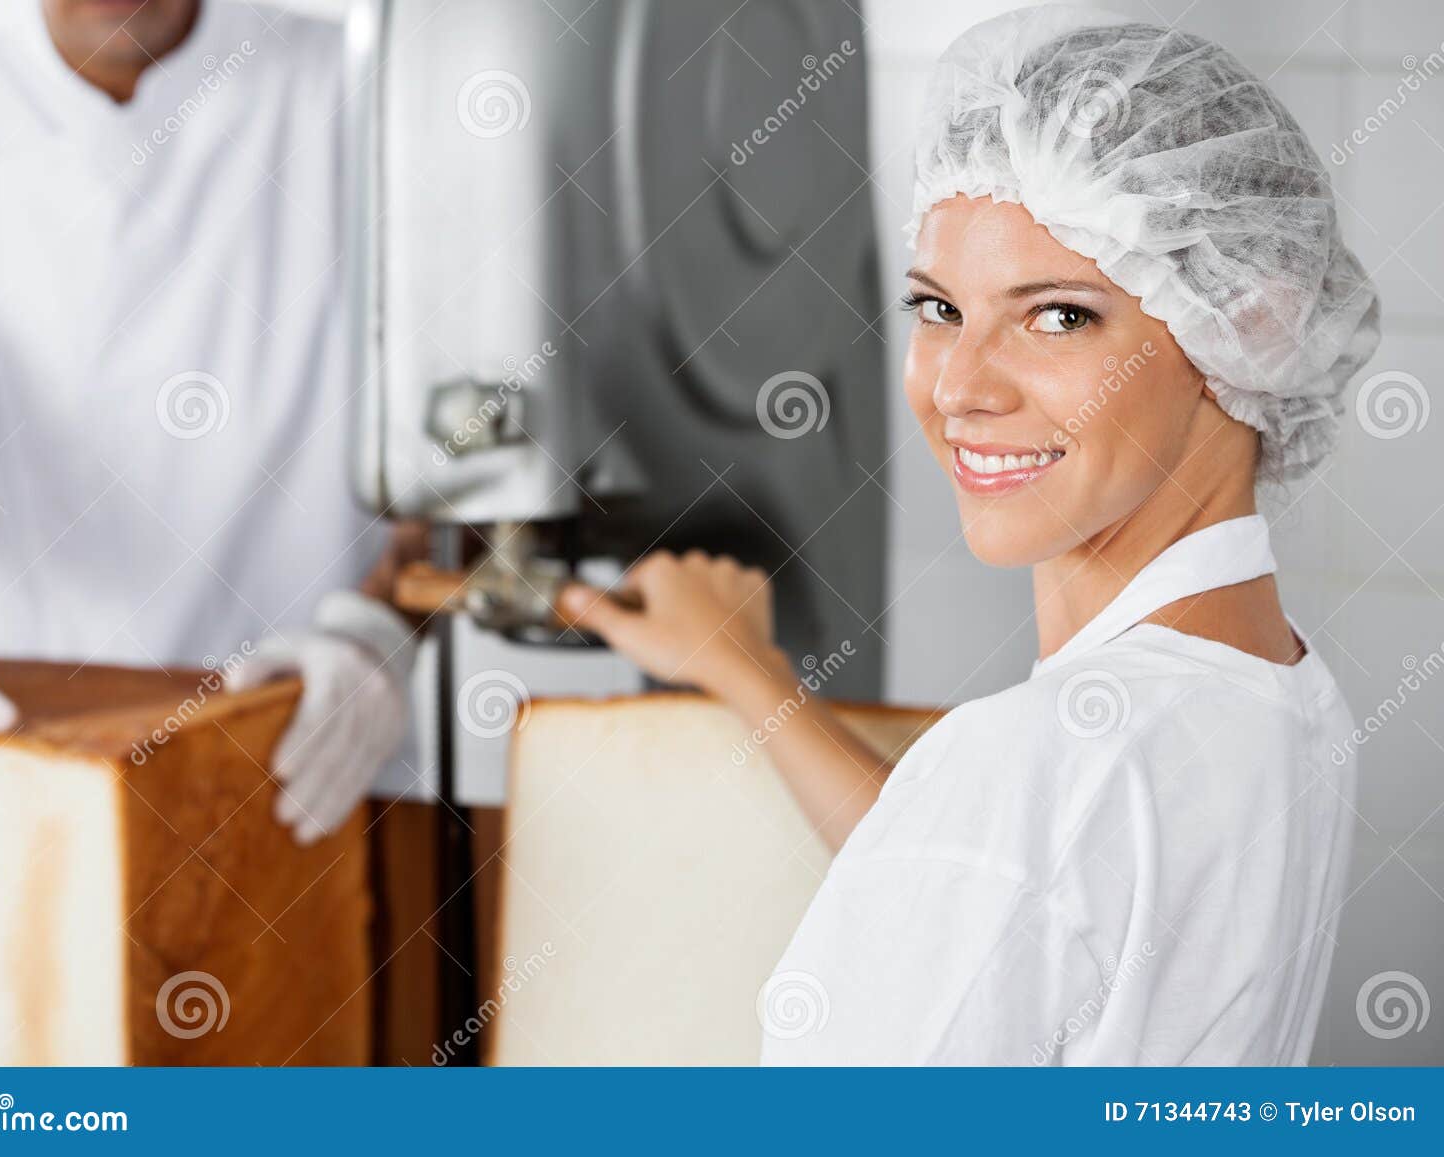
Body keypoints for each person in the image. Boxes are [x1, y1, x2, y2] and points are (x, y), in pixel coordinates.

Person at [559, 5, 1381, 1064]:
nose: (958, 386)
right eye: (939, 307)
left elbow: (1009, 857)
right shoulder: (1282, 691)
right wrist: (752, 676)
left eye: (1058, 316)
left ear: (1247, 326)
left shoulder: (1038, 764)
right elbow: (1003, 908)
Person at [0, 0, 422, 877]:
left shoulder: (365, 90)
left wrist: (386, 624)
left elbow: (479, 422)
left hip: (315, 754)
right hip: (14, 771)